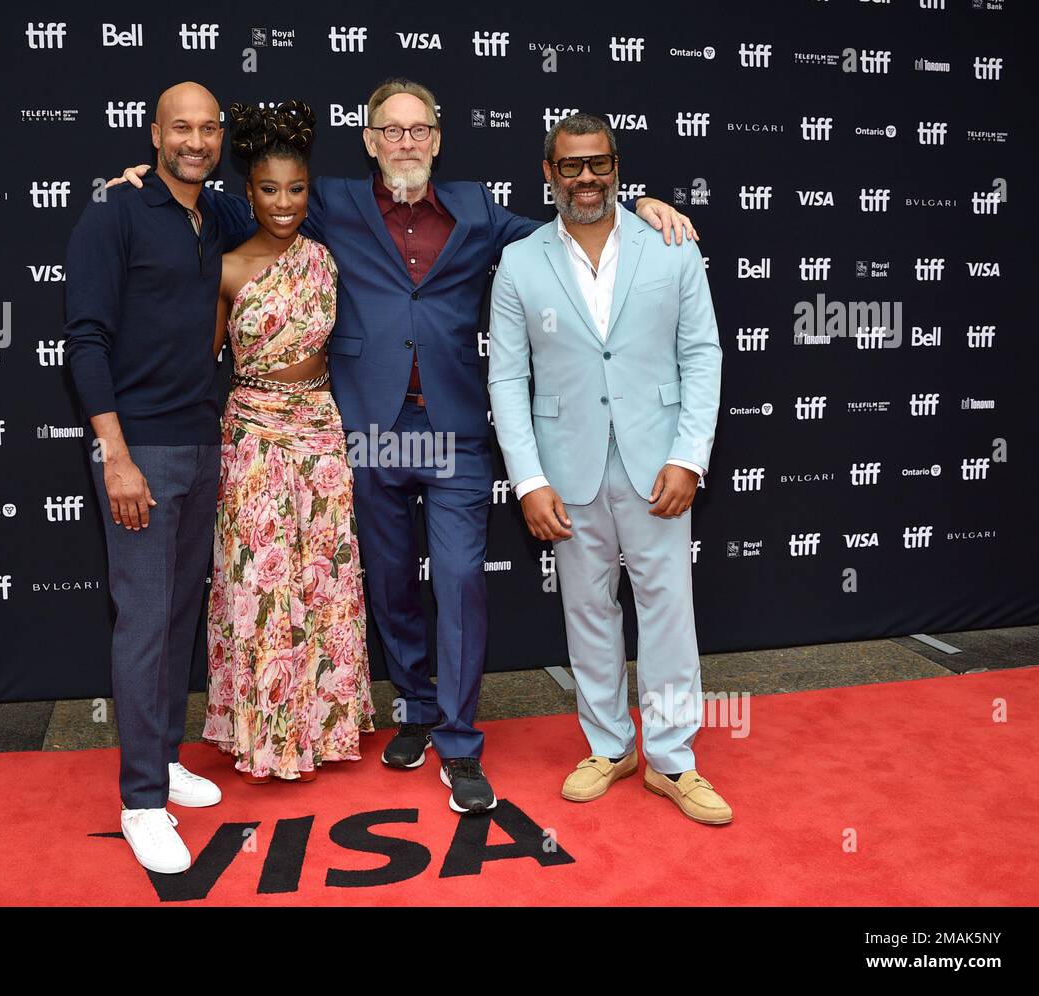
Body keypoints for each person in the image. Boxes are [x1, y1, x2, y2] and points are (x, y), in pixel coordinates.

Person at [114, 77, 698, 815]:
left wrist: (640, 208)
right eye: (390, 131)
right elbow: (247, 205)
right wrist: (157, 185)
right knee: (388, 584)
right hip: (365, 431)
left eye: (418, 130)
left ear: (438, 137)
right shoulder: (331, 202)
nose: (405, 143)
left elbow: (566, 233)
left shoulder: (479, 209)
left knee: (457, 579)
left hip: (452, 431)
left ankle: (458, 741)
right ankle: (418, 708)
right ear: (368, 141)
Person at [488, 113, 730, 824]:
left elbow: (703, 356)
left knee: (669, 616)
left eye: (597, 163)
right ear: (548, 173)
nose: (585, 178)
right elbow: (507, 378)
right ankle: (608, 744)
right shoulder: (522, 261)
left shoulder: (670, 242)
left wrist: (688, 457)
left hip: (658, 465)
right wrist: (530, 480)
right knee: (587, 612)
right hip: (568, 472)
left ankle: (674, 758)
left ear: (617, 166)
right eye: (570, 166)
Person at [62, 82, 234, 876]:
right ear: (154, 133)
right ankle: (139, 803)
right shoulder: (115, 214)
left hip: (205, 445)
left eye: (207, 129)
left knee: (174, 619)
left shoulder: (217, 216)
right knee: (141, 625)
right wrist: (116, 454)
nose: (194, 141)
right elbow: (86, 339)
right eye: (180, 129)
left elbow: (300, 206)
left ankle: (163, 761)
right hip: (141, 452)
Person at [204, 100, 374, 783]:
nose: (282, 202)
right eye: (268, 189)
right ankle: (265, 736)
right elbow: (200, 362)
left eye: (296, 189)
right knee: (261, 588)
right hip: (253, 434)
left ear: (311, 191)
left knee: (323, 583)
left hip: (322, 431)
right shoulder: (227, 268)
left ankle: (324, 731)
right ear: (248, 193)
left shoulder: (325, 260)